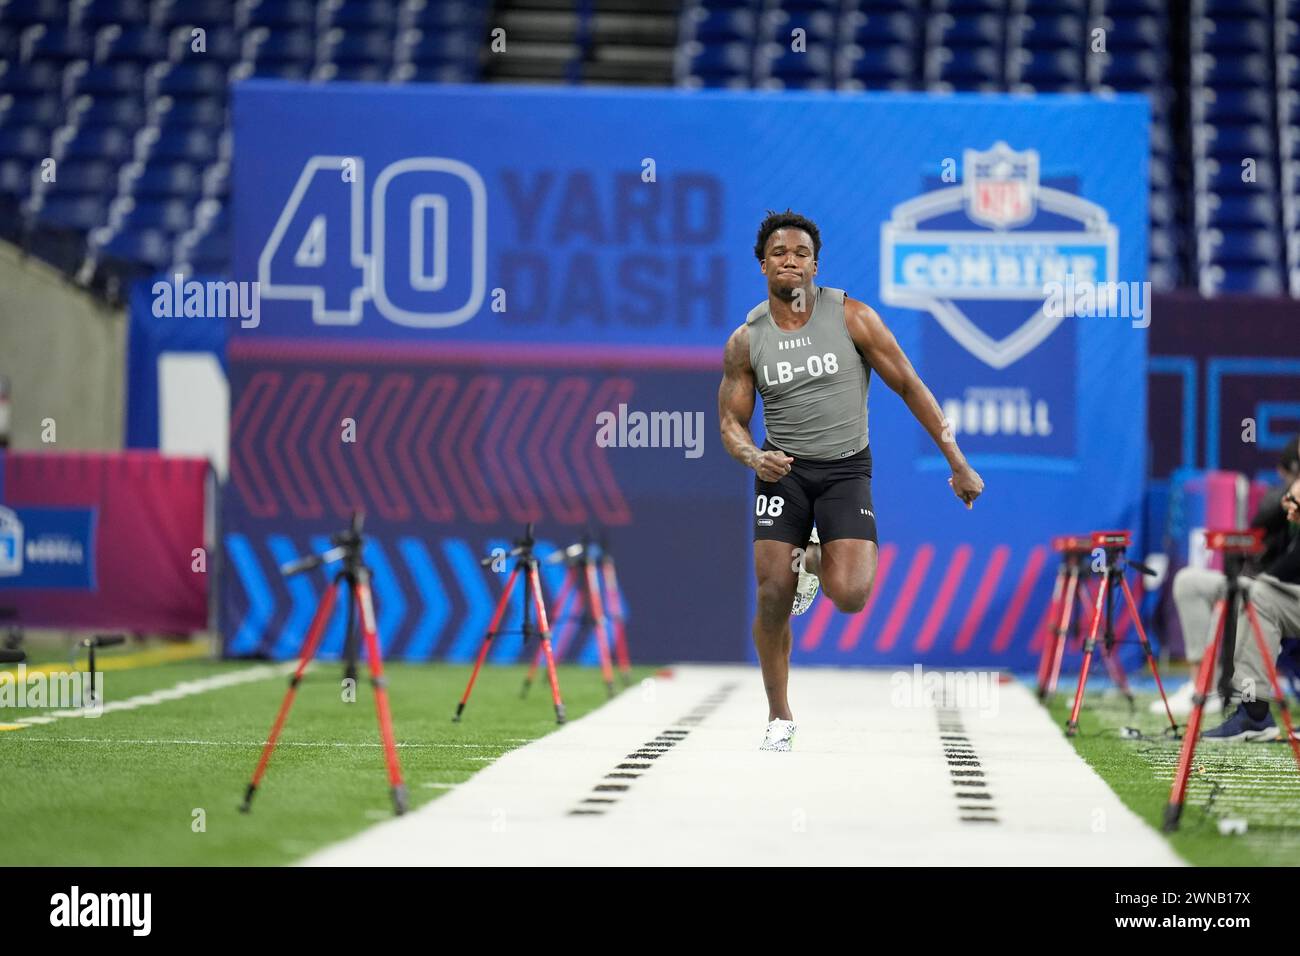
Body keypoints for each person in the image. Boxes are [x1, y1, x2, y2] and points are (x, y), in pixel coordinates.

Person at [717, 209, 984, 751]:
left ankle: (812, 558)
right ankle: (779, 717)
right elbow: (730, 423)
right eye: (778, 253)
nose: (789, 261)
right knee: (772, 593)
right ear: (761, 263)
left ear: (816, 264)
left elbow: (910, 385)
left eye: (800, 253)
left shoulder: (852, 318)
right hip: (783, 472)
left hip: (844, 470)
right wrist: (752, 458)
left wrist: (957, 461)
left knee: (851, 594)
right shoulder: (746, 340)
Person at [1161, 434, 1300, 718]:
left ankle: (1242, 702)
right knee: (1188, 581)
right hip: (1261, 581)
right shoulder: (1285, 498)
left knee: (1245, 594)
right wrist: (1291, 489)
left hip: (1280, 593)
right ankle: (1202, 685)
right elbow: (1263, 518)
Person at [1202, 473, 1300, 741]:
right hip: (1277, 584)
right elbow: (1259, 527)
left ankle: (1254, 713)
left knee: (1259, 596)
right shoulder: (1284, 500)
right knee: (1249, 592)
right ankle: (1205, 685)